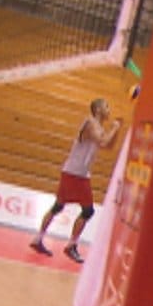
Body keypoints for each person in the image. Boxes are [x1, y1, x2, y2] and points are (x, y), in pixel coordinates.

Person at [29, 98, 122, 263]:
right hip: (75, 173)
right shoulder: (90, 123)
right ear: (98, 109)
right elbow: (103, 142)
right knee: (85, 210)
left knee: (61, 207)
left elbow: (108, 146)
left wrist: (117, 130)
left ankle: (40, 239)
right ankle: (69, 245)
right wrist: (114, 128)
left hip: (78, 173)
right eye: (106, 107)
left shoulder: (98, 127)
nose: (109, 110)